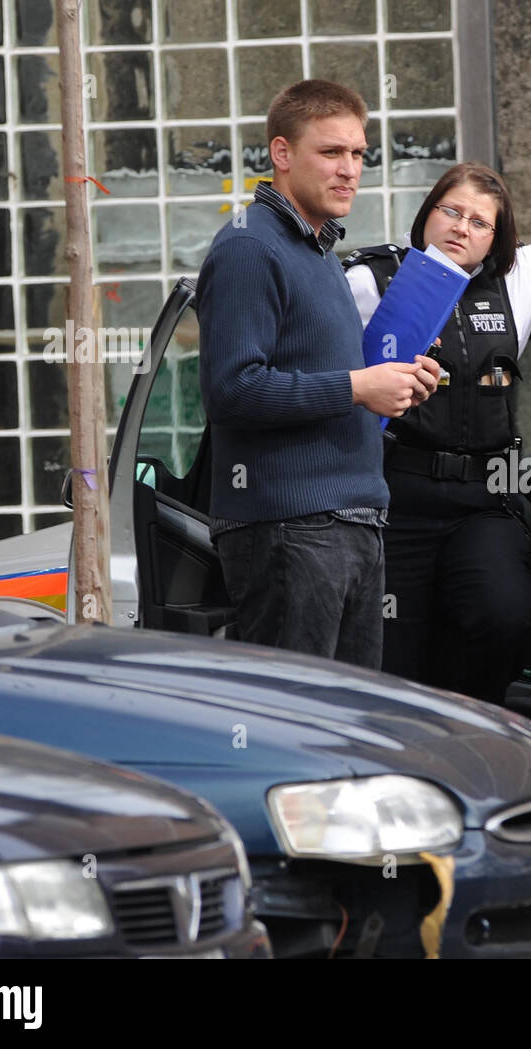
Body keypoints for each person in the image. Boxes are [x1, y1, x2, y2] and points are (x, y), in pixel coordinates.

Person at [343, 162, 531, 702]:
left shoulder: (516, 278)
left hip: (484, 499)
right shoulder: (370, 280)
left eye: (480, 223)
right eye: (452, 212)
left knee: (506, 618)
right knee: (393, 654)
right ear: (427, 213)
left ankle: (469, 721)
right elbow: (323, 370)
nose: (462, 228)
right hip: (395, 497)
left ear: (496, 238)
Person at [197, 80, 439, 668]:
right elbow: (232, 390)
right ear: (281, 154)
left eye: (358, 154)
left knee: (347, 730)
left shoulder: (320, 253)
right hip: (291, 529)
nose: (350, 169)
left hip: (350, 521)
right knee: (300, 729)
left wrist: (391, 382)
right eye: (331, 153)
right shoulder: (249, 248)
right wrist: (360, 386)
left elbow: (319, 384)